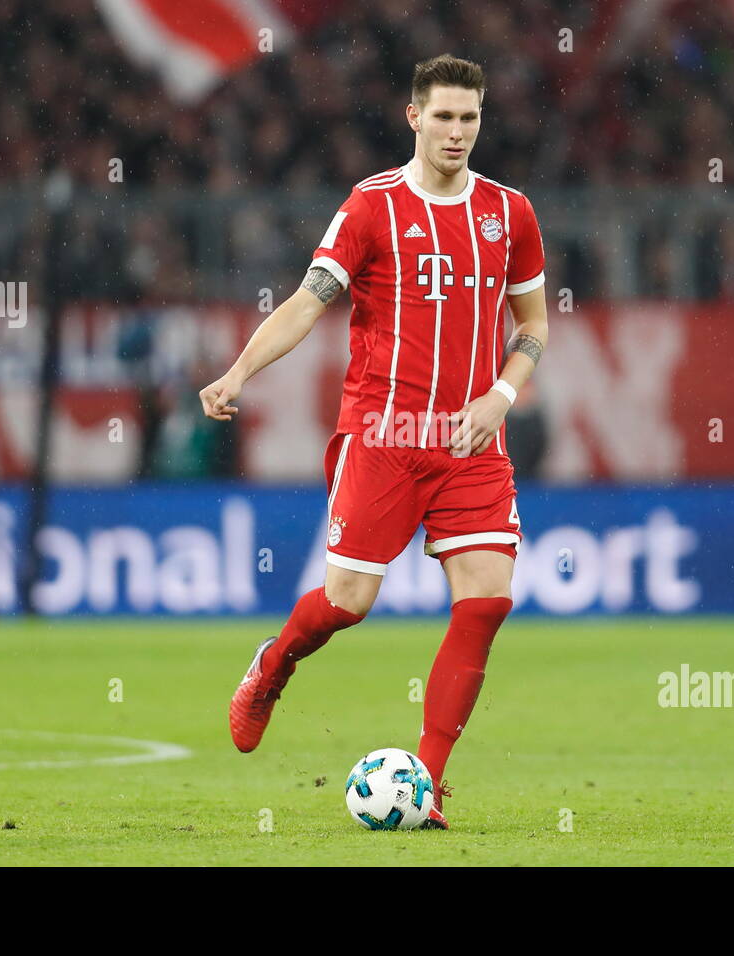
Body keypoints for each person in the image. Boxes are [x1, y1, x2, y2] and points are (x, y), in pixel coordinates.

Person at [199, 54, 549, 830]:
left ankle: (426, 782)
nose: (458, 131)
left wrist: (500, 393)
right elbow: (306, 302)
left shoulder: (509, 214)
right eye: (445, 116)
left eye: (471, 117)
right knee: (348, 603)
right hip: (384, 437)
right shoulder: (371, 208)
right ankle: (271, 667)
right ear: (414, 116)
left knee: (487, 600)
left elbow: (534, 329)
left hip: (469, 439)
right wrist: (238, 372)